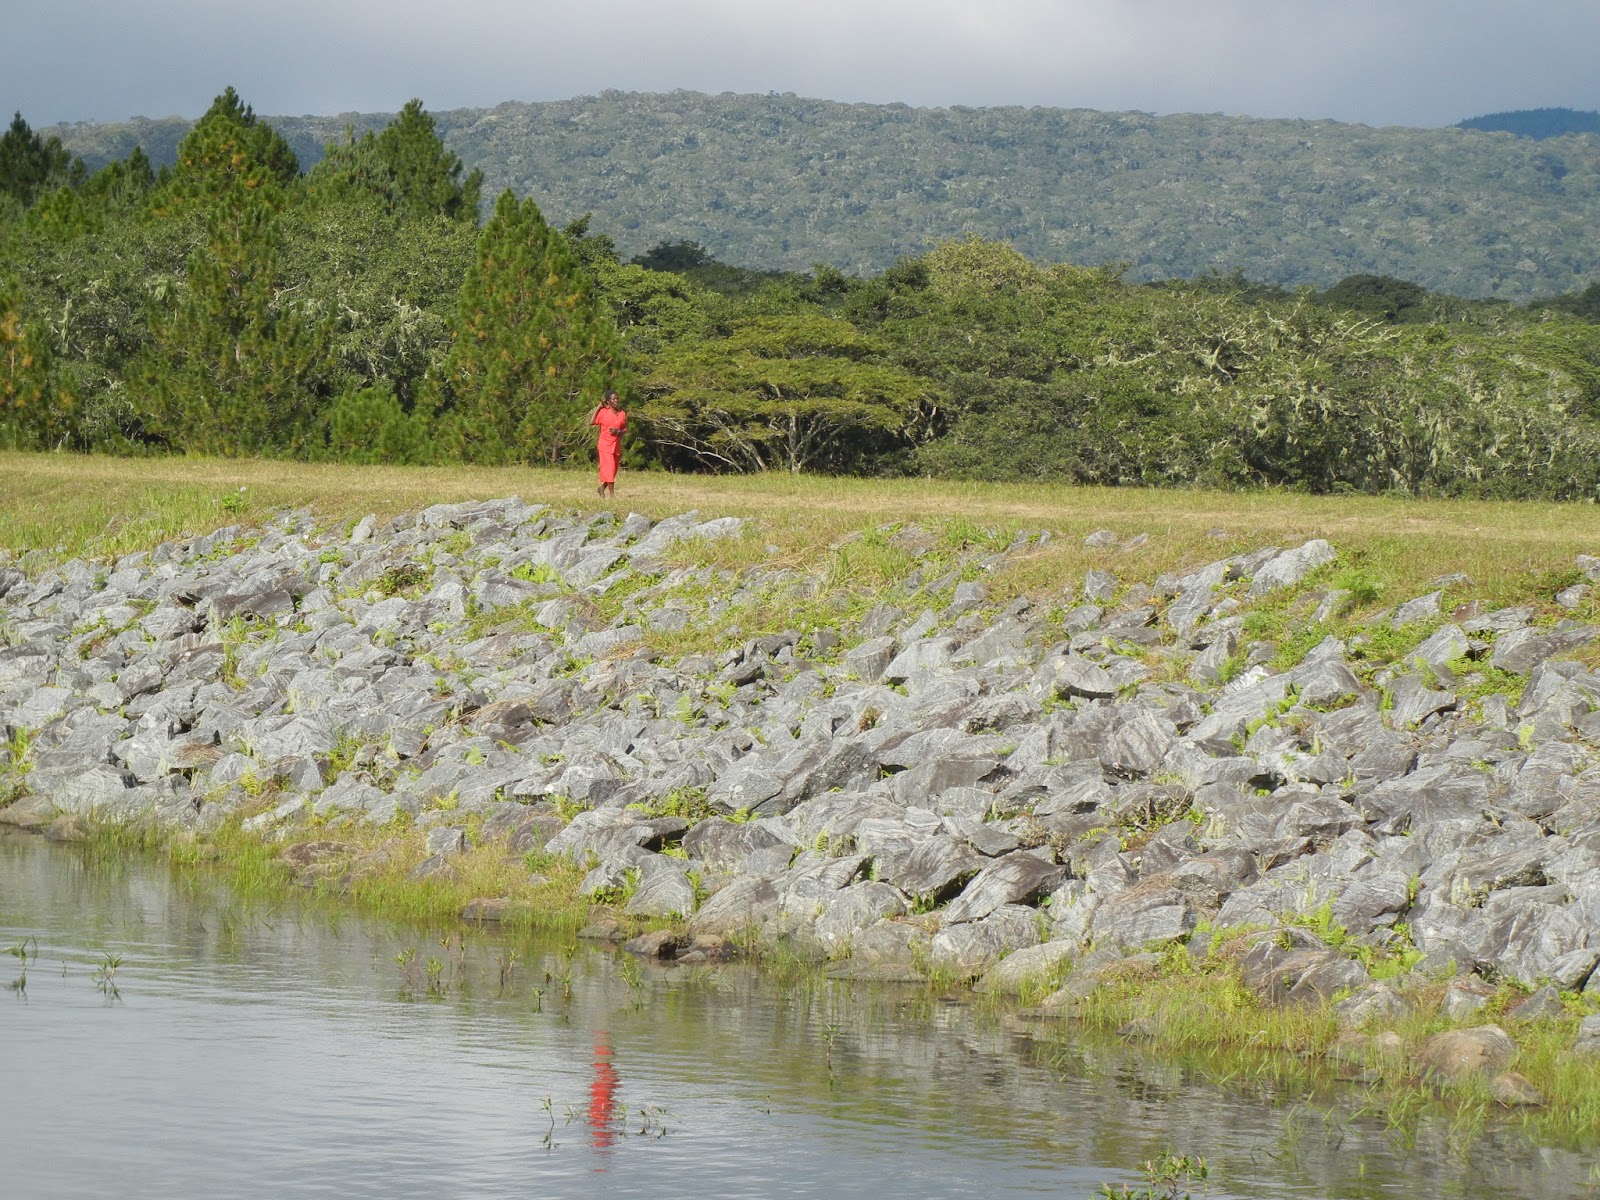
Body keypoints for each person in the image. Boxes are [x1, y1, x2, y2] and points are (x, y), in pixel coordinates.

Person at [590, 390, 627, 499]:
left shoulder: (622, 413)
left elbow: (624, 429)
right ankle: (612, 495)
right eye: (613, 399)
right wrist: (598, 407)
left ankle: (601, 488)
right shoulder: (603, 412)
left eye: (617, 398)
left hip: (616, 446)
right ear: (608, 401)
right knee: (609, 469)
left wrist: (618, 432)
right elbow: (592, 422)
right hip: (605, 445)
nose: (616, 401)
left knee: (613, 471)